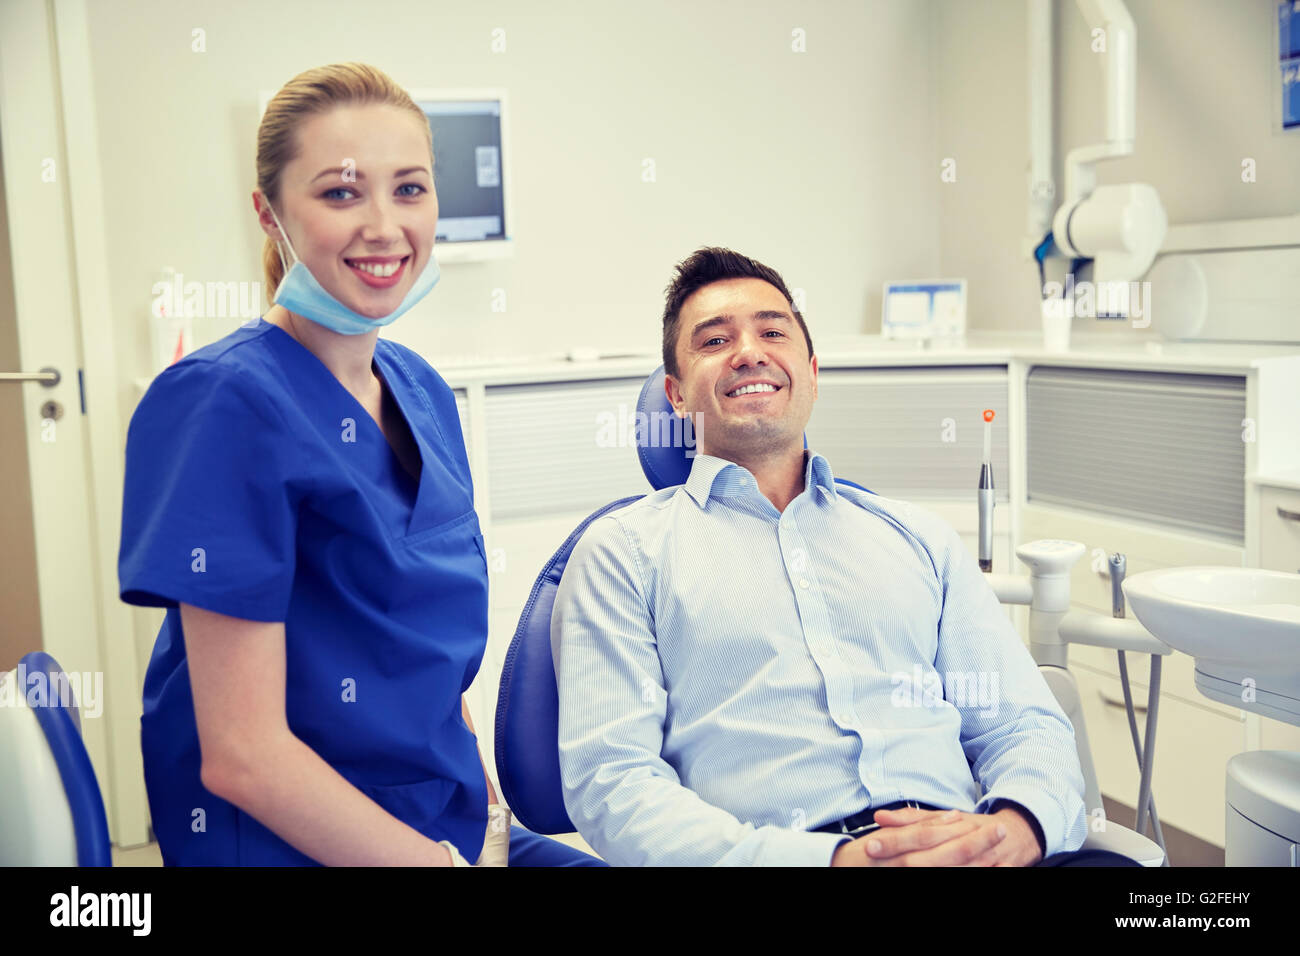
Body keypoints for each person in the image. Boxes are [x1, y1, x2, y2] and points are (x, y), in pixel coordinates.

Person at [119, 62, 603, 867]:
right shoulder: (220, 406)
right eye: (341, 193)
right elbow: (242, 755)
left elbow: (432, 669)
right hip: (295, 846)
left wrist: (482, 823)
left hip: (444, 822)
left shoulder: (422, 392)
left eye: (409, 189)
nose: (384, 225)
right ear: (269, 214)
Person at [551, 246, 1141, 867]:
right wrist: (831, 862)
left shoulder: (919, 538)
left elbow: (1023, 724)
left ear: (810, 369)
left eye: (772, 331)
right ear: (675, 395)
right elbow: (612, 782)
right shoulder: (621, 554)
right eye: (715, 340)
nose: (749, 351)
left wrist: (1017, 828)